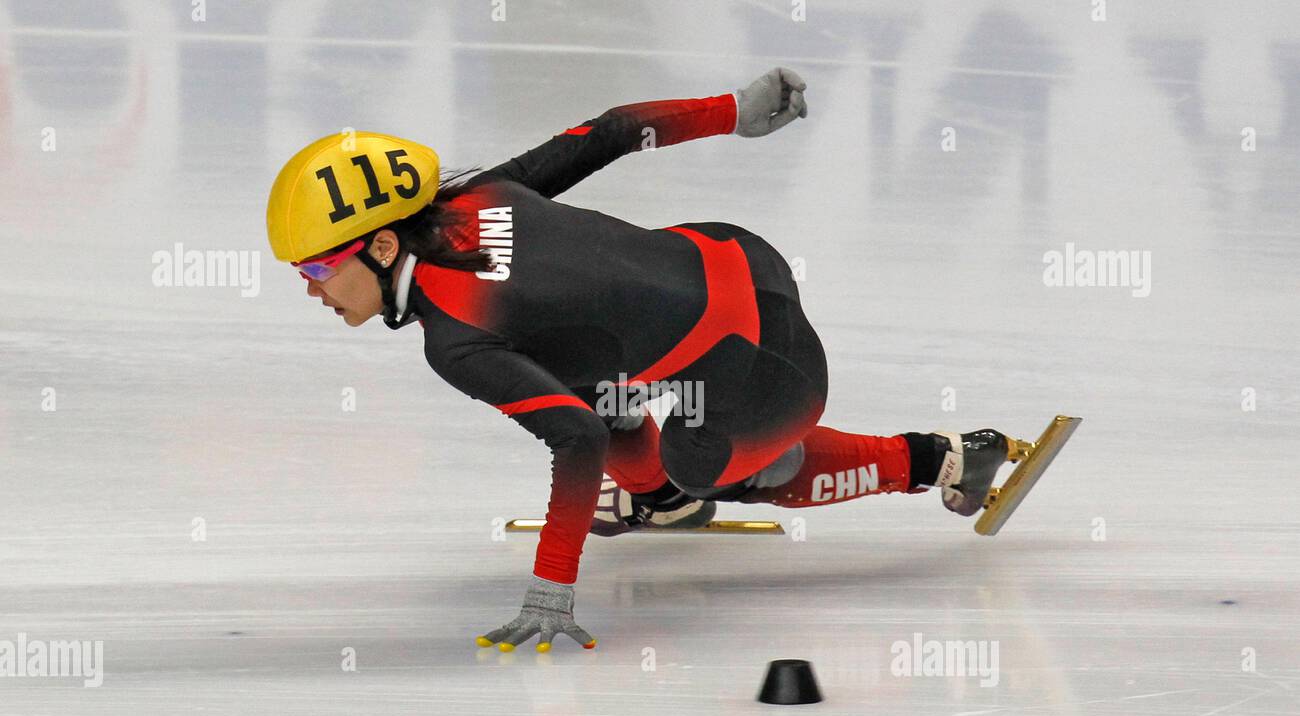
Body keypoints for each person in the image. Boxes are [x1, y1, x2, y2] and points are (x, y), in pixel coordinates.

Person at [266, 68, 1011, 654]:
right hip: (736, 255)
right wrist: (734, 109)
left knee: (712, 458)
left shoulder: (454, 338)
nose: (314, 290)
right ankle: (662, 500)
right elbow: (615, 130)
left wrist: (552, 586)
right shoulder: (483, 194)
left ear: (385, 244)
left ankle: (939, 460)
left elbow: (578, 441)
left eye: (317, 269)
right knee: (583, 366)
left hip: (763, 367)